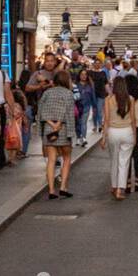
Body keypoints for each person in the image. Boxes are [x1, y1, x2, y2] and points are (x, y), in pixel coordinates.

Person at [39, 69, 77, 198]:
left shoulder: (47, 93)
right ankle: (63, 187)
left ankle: (51, 190)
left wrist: (50, 124)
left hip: (49, 129)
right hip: (64, 129)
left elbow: (40, 112)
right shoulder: (68, 94)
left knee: (51, 159)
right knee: (66, 158)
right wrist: (62, 125)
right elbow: (69, 113)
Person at [104, 75, 138, 200]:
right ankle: (120, 189)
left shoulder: (108, 100)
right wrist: (135, 136)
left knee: (114, 160)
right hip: (127, 131)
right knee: (124, 162)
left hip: (113, 131)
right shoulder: (130, 99)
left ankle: (114, 187)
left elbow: (107, 120)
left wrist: (103, 137)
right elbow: (134, 120)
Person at [73, 67, 96, 147]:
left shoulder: (90, 85)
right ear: (79, 75)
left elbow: (93, 96)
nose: (83, 76)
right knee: (77, 123)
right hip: (77, 107)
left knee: (83, 123)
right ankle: (78, 137)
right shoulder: (75, 85)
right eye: (82, 74)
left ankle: (84, 138)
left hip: (86, 106)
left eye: (85, 74)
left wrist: (94, 106)